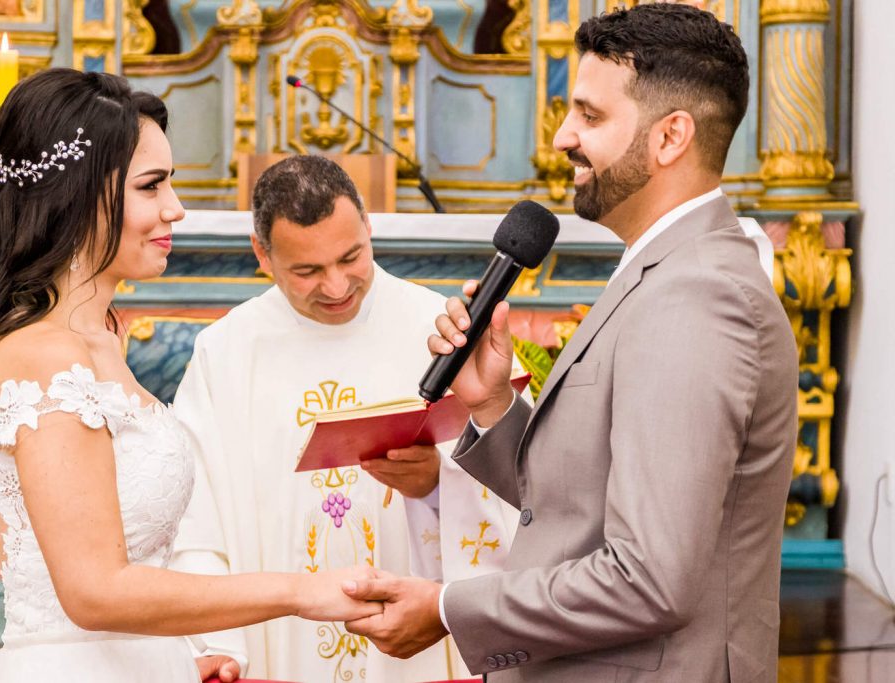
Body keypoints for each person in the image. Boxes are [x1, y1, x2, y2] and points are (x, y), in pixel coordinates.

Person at [342, 4, 799, 681]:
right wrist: (492, 404)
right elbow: (582, 506)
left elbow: (649, 578)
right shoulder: (664, 270)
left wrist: (445, 607)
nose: (562, 137)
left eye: (590, 115)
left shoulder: (695, 296)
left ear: (670, 136)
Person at [0, 68, 379, 683]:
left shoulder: (102, 340)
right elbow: (94, 592)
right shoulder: (44, 356)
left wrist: (175, 657)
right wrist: (299, 591)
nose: (175, 207)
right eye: (151, 186)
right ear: (76, 195)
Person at [169, 155, 521, 683]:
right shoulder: (226, 353)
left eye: (351, 257)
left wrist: (436, 484)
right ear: (262, 254)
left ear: (368, 226)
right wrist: (217, 645)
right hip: (279, 651)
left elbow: (526, 495)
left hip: (416, 655)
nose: (336, 287)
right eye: (307, 271)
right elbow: (195, 520)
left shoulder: (442, 330)